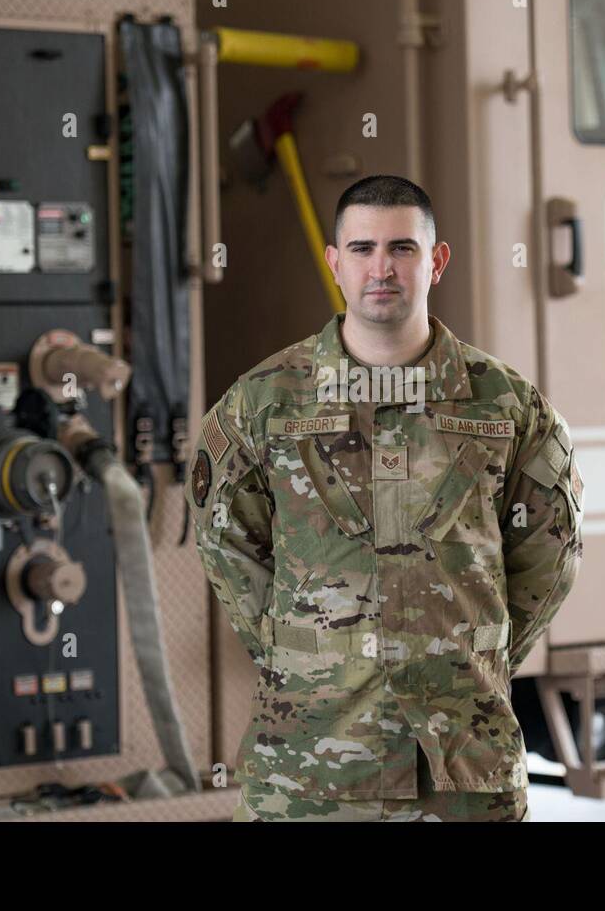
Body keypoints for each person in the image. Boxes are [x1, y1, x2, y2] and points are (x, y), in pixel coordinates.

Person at [186, 175, 583, 821]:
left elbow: (549, 552)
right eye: (363, 248)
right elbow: (227, 540)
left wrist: (471, 655)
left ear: (436, 261)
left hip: (460, 766)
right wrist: (301, 652)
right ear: (334, 262)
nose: (382, 268)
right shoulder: (264, 403)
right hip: (309, 767)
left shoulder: (505, 404)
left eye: (402, 248)